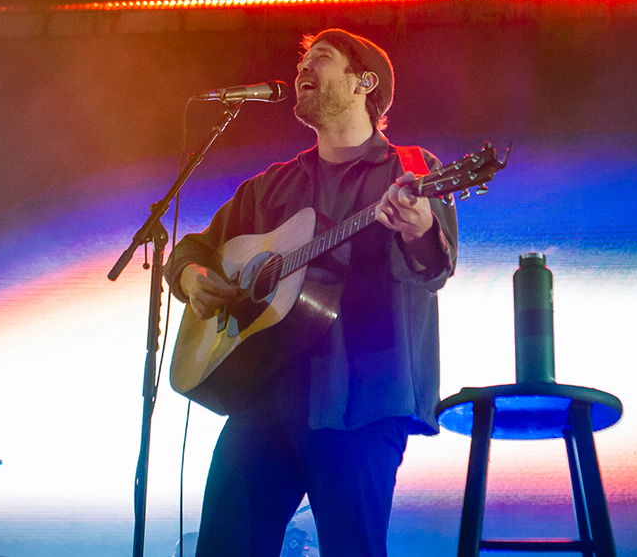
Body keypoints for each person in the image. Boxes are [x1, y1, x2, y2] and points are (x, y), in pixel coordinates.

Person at [167, 29, 457, 557]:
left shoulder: (412, 170)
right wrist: (192, 278)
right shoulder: (271, 186)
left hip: (363, 401)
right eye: (303, 60)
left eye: (321, 57)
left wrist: (418, 227)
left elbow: (436, 268)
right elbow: (192, 250)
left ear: (364, 83)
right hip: (263, 400)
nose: (303, 68)